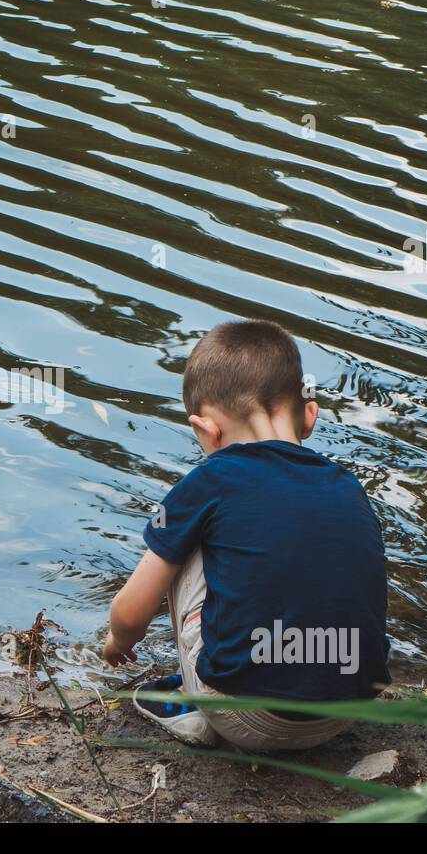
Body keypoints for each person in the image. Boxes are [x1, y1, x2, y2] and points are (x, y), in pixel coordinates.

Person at [103, 320, 389, 750]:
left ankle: (193, 703)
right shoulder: (348, 486)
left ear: (206, 429)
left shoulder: (211, 480)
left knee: (183, 537)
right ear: (309, 416)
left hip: (248, 717)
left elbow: (130, 616)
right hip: (346, 711)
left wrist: (117, 641)